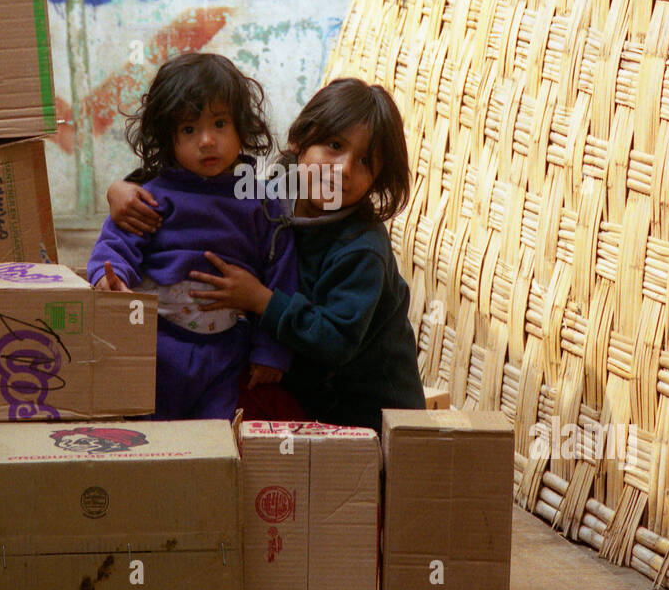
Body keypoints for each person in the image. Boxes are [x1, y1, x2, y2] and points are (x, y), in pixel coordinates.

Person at [107, 77, 425, 432]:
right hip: (298, 390)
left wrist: (261, 300)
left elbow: (335, 341)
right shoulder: (275, 193)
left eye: (365, 161)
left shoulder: (362, 248)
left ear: (377, 178)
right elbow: (203, 190)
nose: (344, 169)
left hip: (364, 419)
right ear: (300, 140)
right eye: (334, 145)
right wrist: (124, 189)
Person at [87, 53, 297, 421]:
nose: (206, 141)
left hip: (227, 353)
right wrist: (110, 277)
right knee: (148, 432)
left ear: (241, 128)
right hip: (157, 345)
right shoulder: (153, 194)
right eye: (188, 129)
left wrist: (271, 352)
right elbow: (119, 241)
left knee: (215, 438)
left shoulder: (261, 202)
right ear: (169, 137)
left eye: (219, 124)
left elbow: (282, 275)